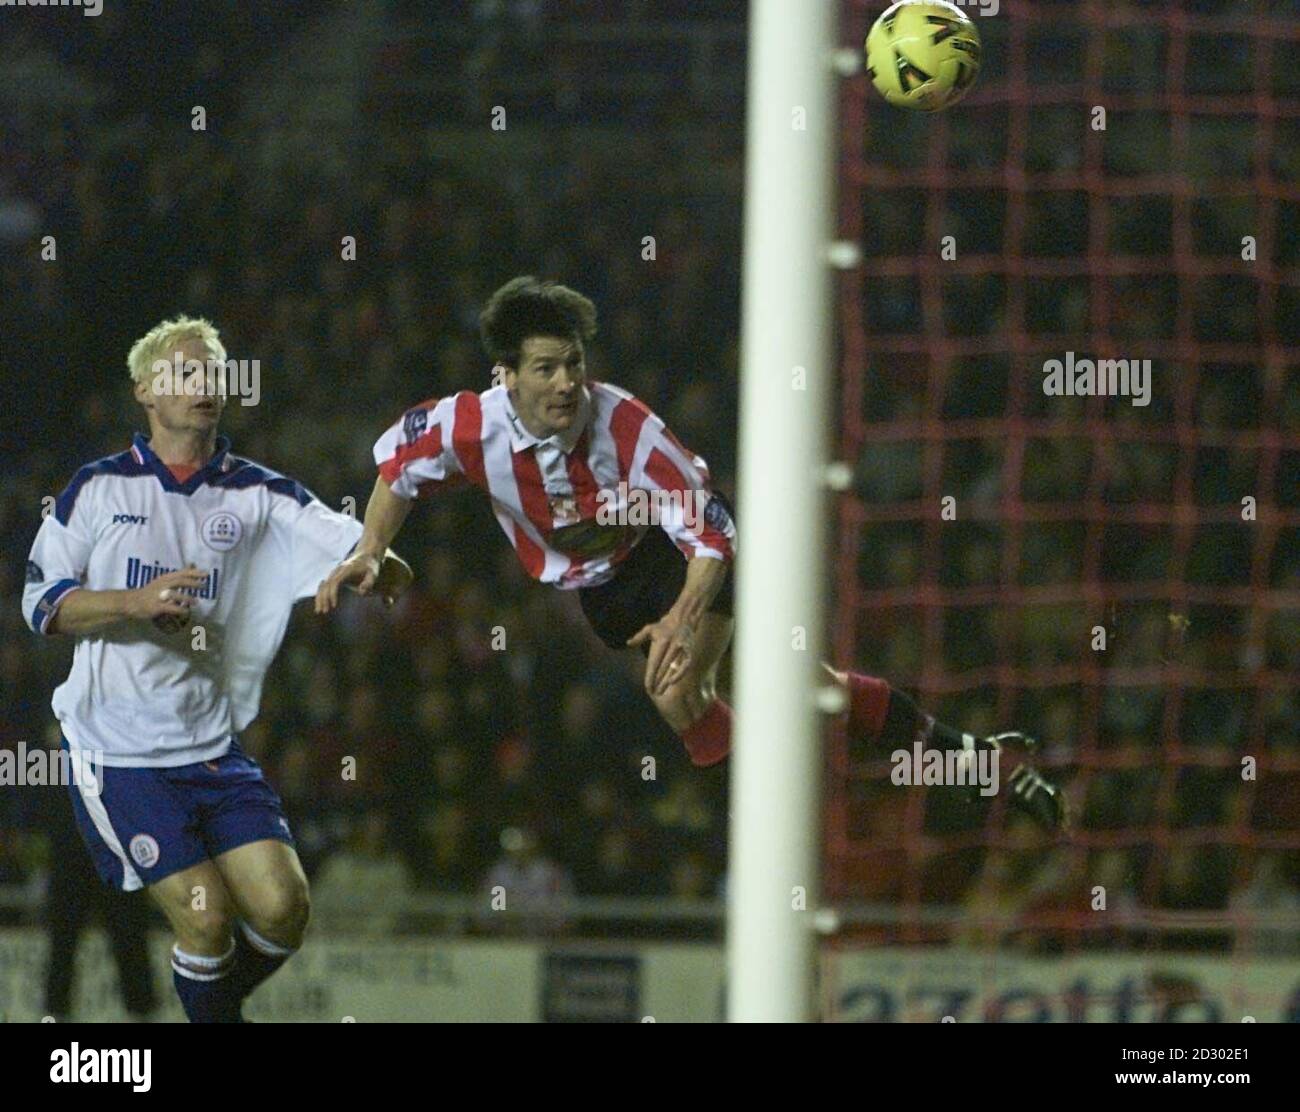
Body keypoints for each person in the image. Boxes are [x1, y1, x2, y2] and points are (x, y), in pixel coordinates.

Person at [317, 277, 1065, 830]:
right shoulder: (467, 425)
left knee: (676, 692)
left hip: (678, 566)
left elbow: (714, 531)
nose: (567, 383)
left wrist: (680, 615)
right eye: (545, 368)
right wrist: (370, 548)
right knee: (809, 692)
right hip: (604, 593)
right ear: (505, 376)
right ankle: (965, 758)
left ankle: (772, 830)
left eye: (574, 363)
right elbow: (398, 470)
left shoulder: (627, 428)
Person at [21, 315, 412, 1022]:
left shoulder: (263, 496)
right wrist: (135, 602)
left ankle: (209, 1011)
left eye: (213, 370)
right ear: (145, 389)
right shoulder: (97, 489)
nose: (203, 381)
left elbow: (372, 553)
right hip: (118, 753)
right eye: (183, 369)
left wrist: (374, 563)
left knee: (284, 908)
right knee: (204, 920)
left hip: (211, 750)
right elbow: (40, 603)